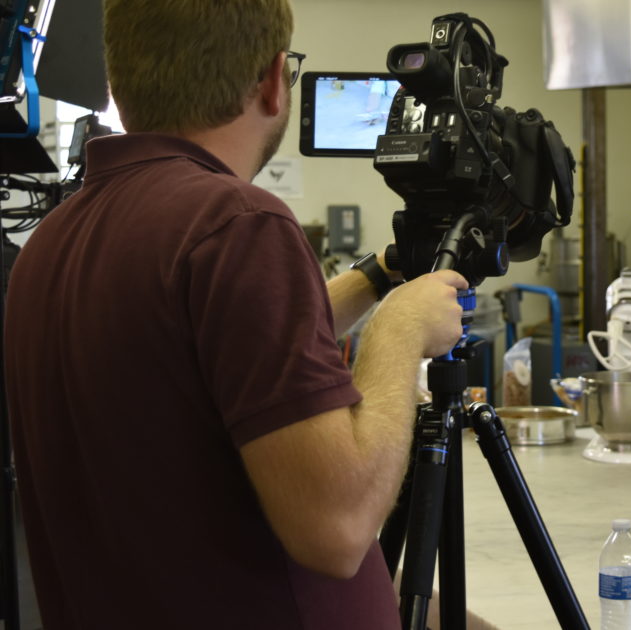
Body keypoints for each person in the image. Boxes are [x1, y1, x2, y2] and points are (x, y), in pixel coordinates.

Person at [3, 2, 468, 628]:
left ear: (118, 83)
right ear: (274, 79)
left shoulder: (52, 242)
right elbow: (338, 528)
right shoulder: (238, 224)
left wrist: (379, 275)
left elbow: (214, 356)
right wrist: (400, 330)